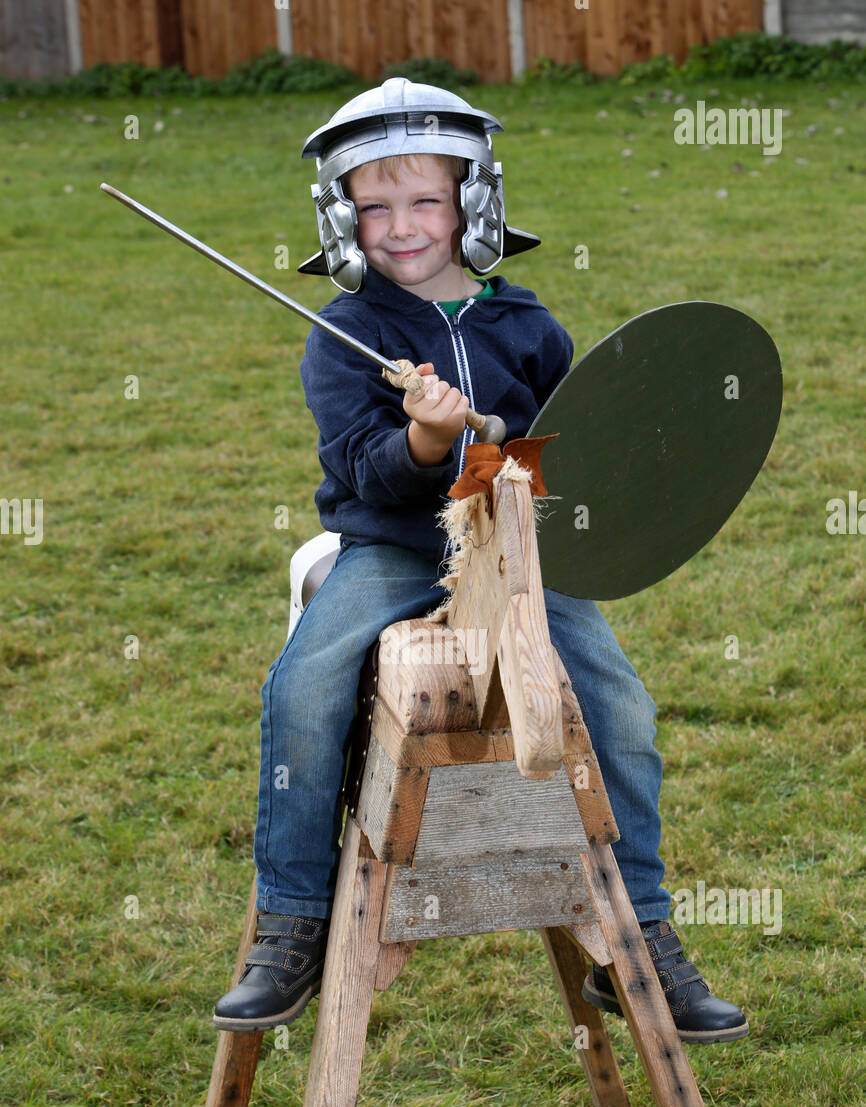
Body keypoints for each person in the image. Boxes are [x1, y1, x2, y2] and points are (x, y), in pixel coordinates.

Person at [213, 78, 748, 1044]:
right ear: (341, 218)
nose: (401, 226)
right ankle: (292, 920)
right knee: (305, 685)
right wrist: (425, 445)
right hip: (394, 550)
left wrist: (514, 450)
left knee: (619, 707)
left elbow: (563, 462)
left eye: (425, 199)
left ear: (477, 200)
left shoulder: (531, 329)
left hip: (518, 558)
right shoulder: (348, 341)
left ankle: (642, 946)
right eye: (373, 206)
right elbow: (364, 475)